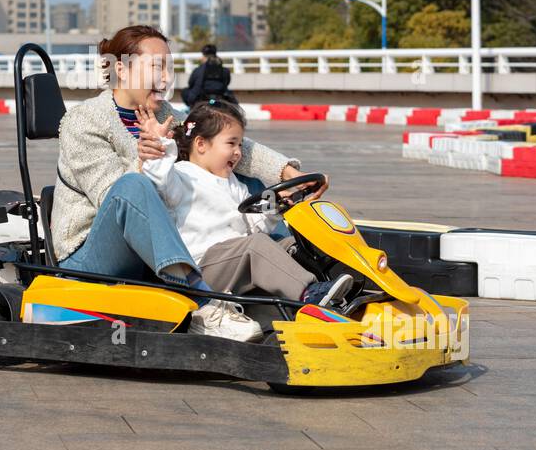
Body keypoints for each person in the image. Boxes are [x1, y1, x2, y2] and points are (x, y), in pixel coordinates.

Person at [51, 24, 327, 339]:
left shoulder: (167, 114)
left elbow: (220, 140)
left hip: (149, 250)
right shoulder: (83, 121)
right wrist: (143, 160)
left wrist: (286, 173)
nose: (166, 78)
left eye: (169, 67)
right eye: (156, 66)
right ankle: (204, 305)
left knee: (234, 170)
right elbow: (112, 198)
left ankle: (296, 262)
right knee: (133, 186)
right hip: (90, 255)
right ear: (121, 69)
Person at [137, 100, 342, 341]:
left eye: (240, 145)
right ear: (201, 144)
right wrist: (160, 146)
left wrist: (279, 202)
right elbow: (159, 179)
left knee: (288, 246)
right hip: (203, 270)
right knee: (256, 245)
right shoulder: (181, 176)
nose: (237, 152)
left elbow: (254, 222)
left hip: (236, 263)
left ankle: (332, 289)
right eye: (231, 143)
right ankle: (310, 294)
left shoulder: (233, 182)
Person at [180, 43, 236, 108]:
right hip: (218, 101)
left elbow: (190, 84)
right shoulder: (225, 70)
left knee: (185, 91)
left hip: (202, 101)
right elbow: (227, 83)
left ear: (204, 56)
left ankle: (191, 109)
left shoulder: (198, 70)